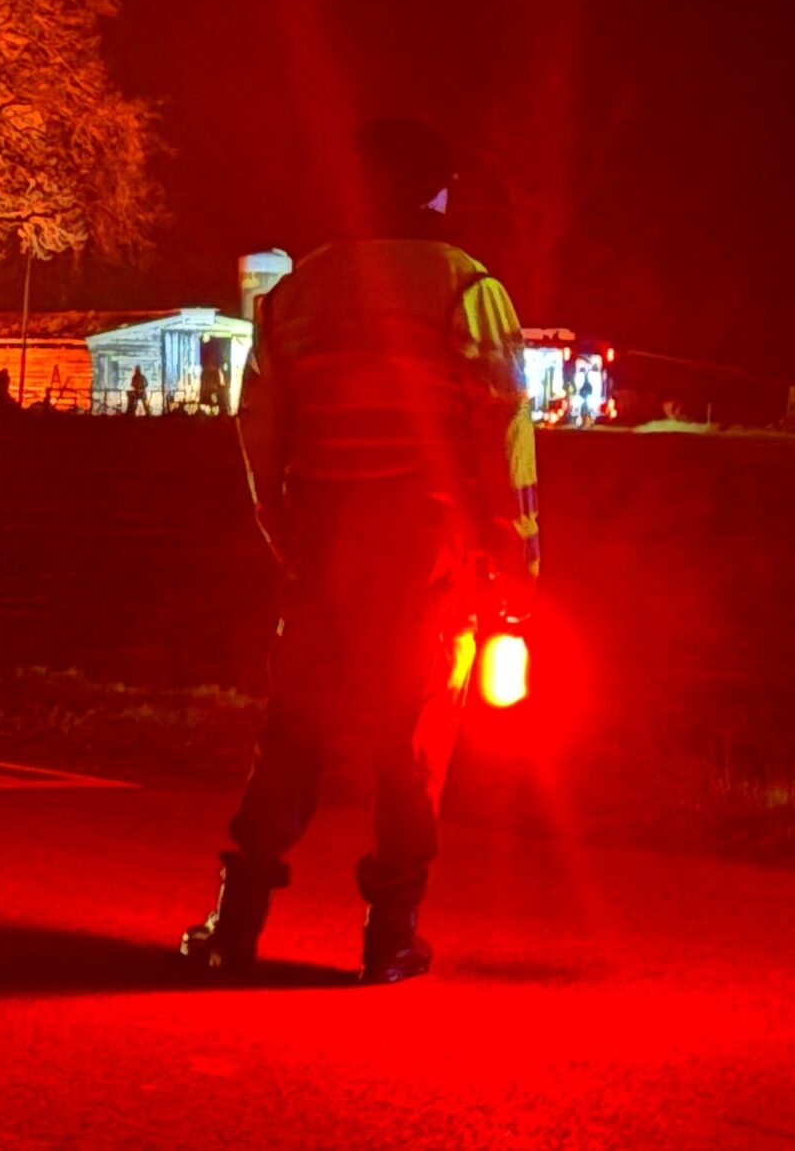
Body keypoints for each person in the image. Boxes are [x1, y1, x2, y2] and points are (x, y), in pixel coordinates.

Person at [181, 116, 539, 985]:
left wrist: (286, 527)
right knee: (411, 732)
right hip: (427, 544)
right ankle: (391, 932)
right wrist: (519, 568)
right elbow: (505, 435)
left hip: (325, 537)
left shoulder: (302, 289)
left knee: (294, 725)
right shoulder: (468, 289)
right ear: (440, 190)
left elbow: (258, 423)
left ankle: (238, 920)